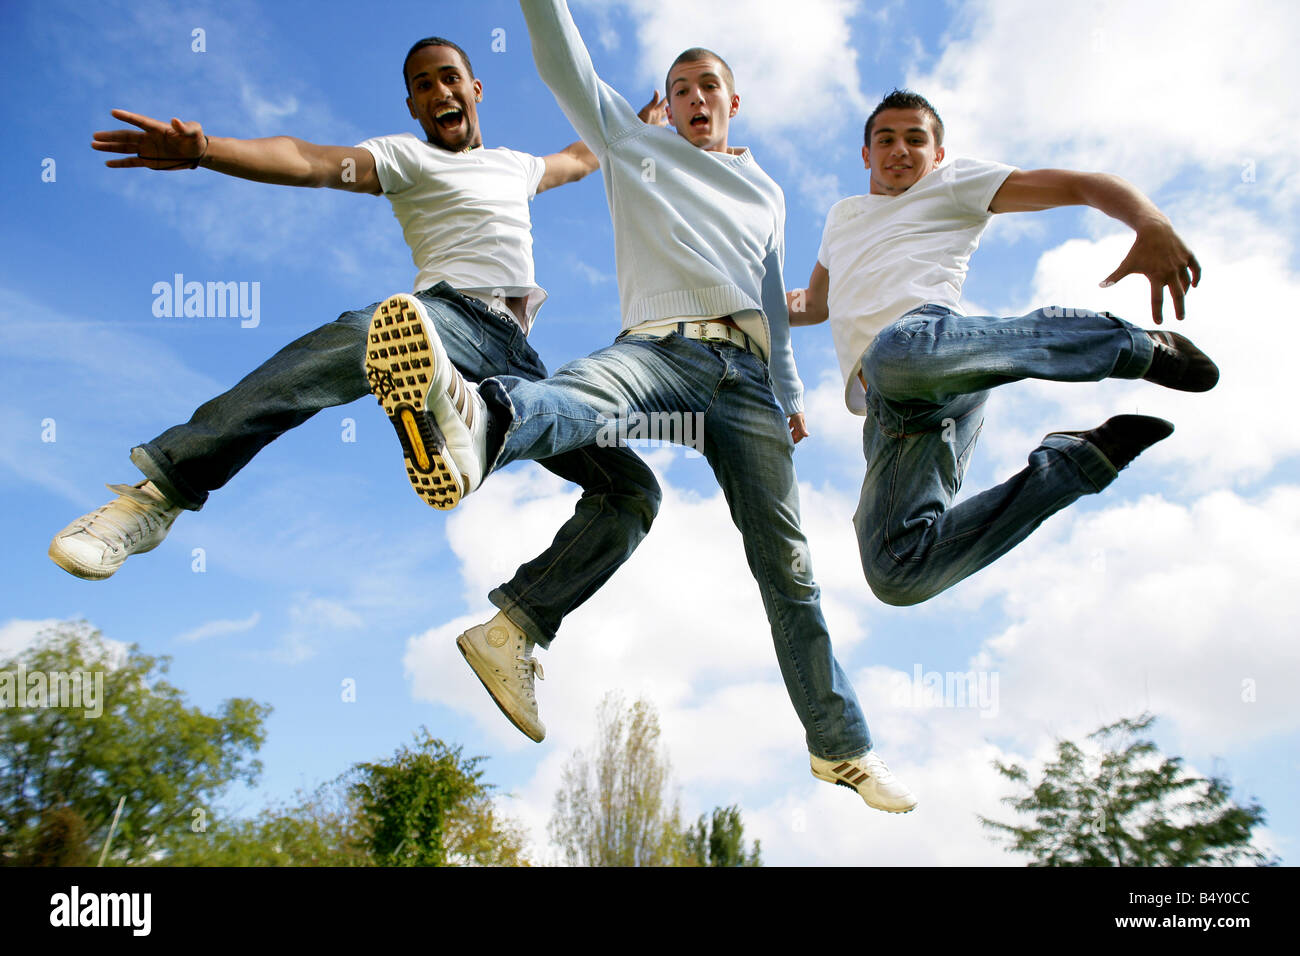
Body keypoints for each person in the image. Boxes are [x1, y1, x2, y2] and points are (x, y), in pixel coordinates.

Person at [372, 0, 917, 814]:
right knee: (588, 397)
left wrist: (792, 395)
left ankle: (839, 747)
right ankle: (473, 424)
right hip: (660, 351)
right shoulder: (635, 143)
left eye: (709, 86)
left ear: (734, 101)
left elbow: (770, 296)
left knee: (789, 570)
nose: (696, 99)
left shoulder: (764, 188)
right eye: (681, 88)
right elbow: (566, 64)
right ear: (667, 104)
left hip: (747, 387)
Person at [48, 36, 668, 744]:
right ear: (412, 106)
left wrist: (636, 128)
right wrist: (206, 149)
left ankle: (516, 629)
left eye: (450, 80)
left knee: (632, 490)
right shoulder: (408, 158)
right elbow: (309, 160)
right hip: (445, 317)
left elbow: (584, 158)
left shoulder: (516, 166)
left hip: (517, 362)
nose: (440, 94)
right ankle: (158, 498)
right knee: (371, 330)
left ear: (476, 89)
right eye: (423, 86)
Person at [790, 89, 1217, 607]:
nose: (900, 150)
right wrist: (731, 305)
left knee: (896, 355)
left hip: (933, 353)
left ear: (938, 154)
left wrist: (1151, 223)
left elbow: (1081, 184)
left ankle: (1131, 346)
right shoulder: (842, 217)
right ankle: (1075, 464)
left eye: (915, 139)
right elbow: (813, 303)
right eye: (886, 140)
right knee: (895, 571)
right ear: (865, 154)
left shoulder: (953, 184)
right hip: (890, 410)